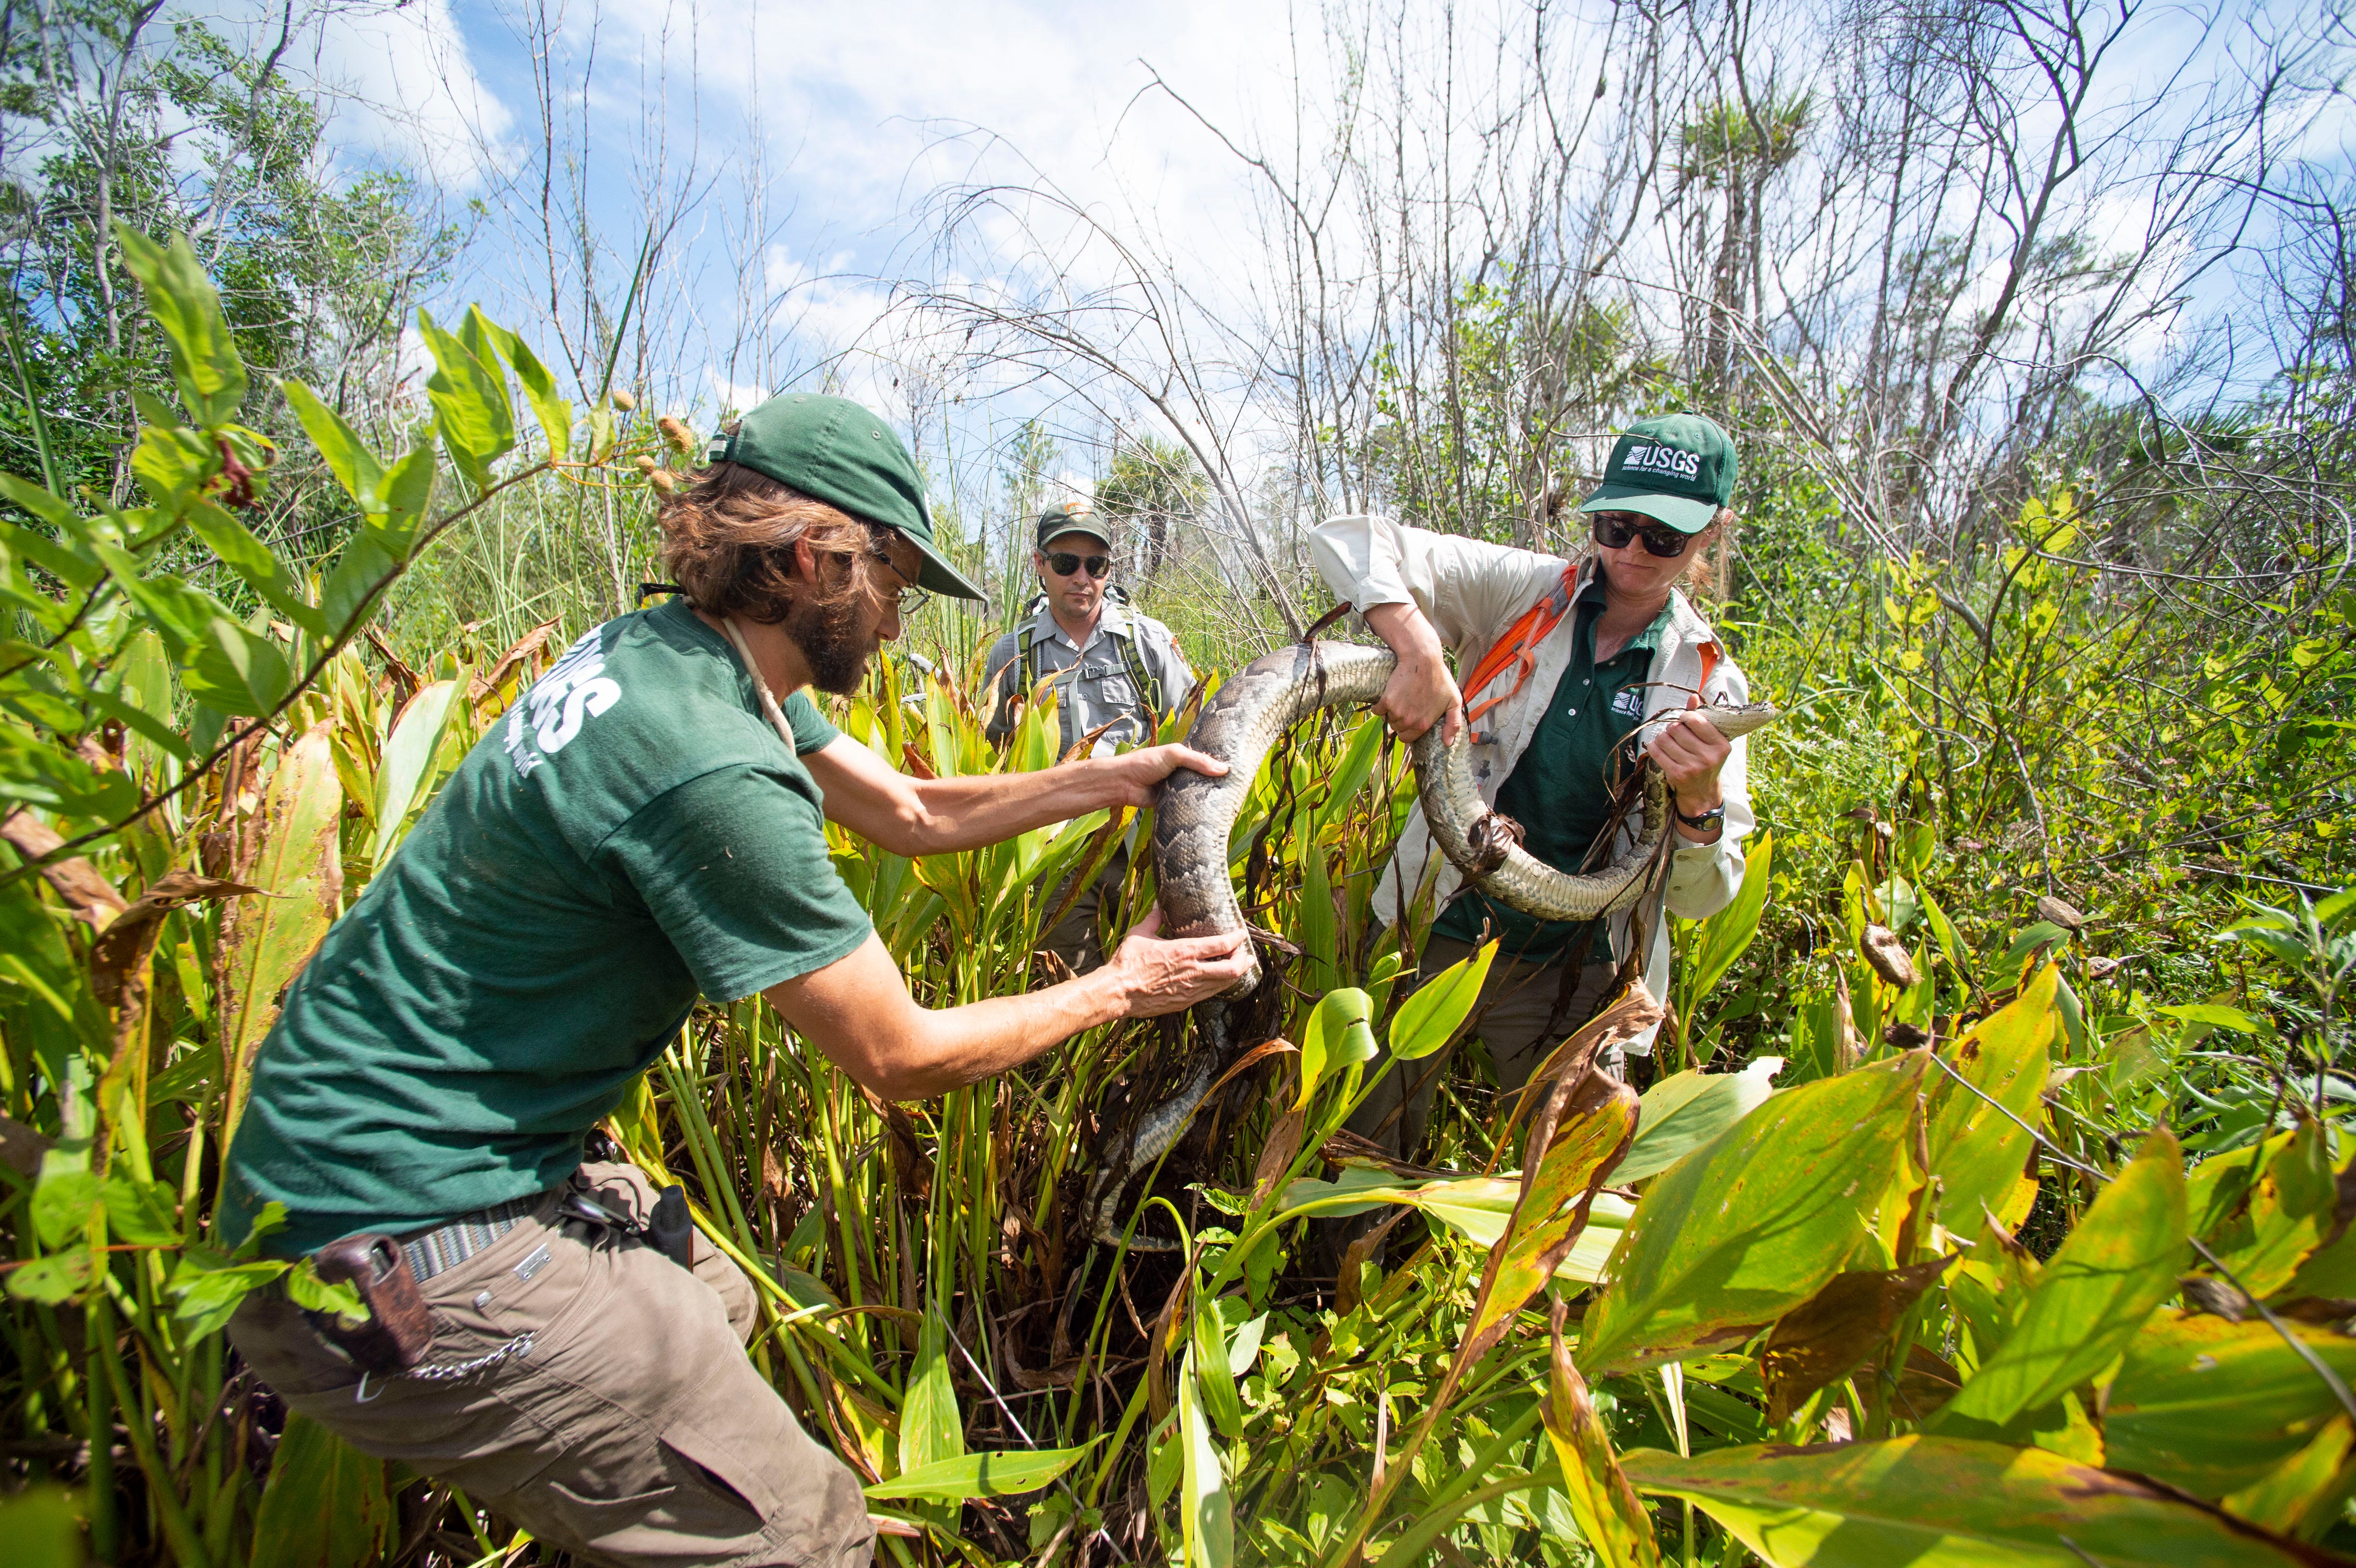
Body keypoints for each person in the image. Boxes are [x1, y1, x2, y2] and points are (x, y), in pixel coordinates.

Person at [220, 392, 1252, 1568]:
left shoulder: (668, 652)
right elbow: (899, 1056)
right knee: (808, 1535)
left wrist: (1112, 776)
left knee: (719, 1301)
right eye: (895, 580)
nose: (900, 620)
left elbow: (908, 811)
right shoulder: (706, 760)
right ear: (819, 558)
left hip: (354, 1162)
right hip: (396, 1233)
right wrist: (1118, 984)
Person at [1308, 412, 1758, 1161]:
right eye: (1616, 526)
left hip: (1577, 970)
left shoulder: (1707, 684)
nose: (1633, 552)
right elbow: (1345, 537)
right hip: (1439, 929)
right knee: (1365, 1146)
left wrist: (1698, 803)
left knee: (1576, 1184)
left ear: (1710, 533)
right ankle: (1344, 1274)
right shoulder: (1524, 591)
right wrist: (1419, 647)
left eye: (1664, 537)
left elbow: (1700, 900)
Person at [982, 501, 1194, 973]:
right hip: (1057, 856)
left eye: (1094, 564)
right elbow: (989, 753)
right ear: (1040, 565)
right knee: (1070, 985)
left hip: (1145, 852)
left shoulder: (1148, 643)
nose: (1082, 577)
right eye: (1066, 563)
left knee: (1160, 986)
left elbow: (1193, 734)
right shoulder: (1012, 655)